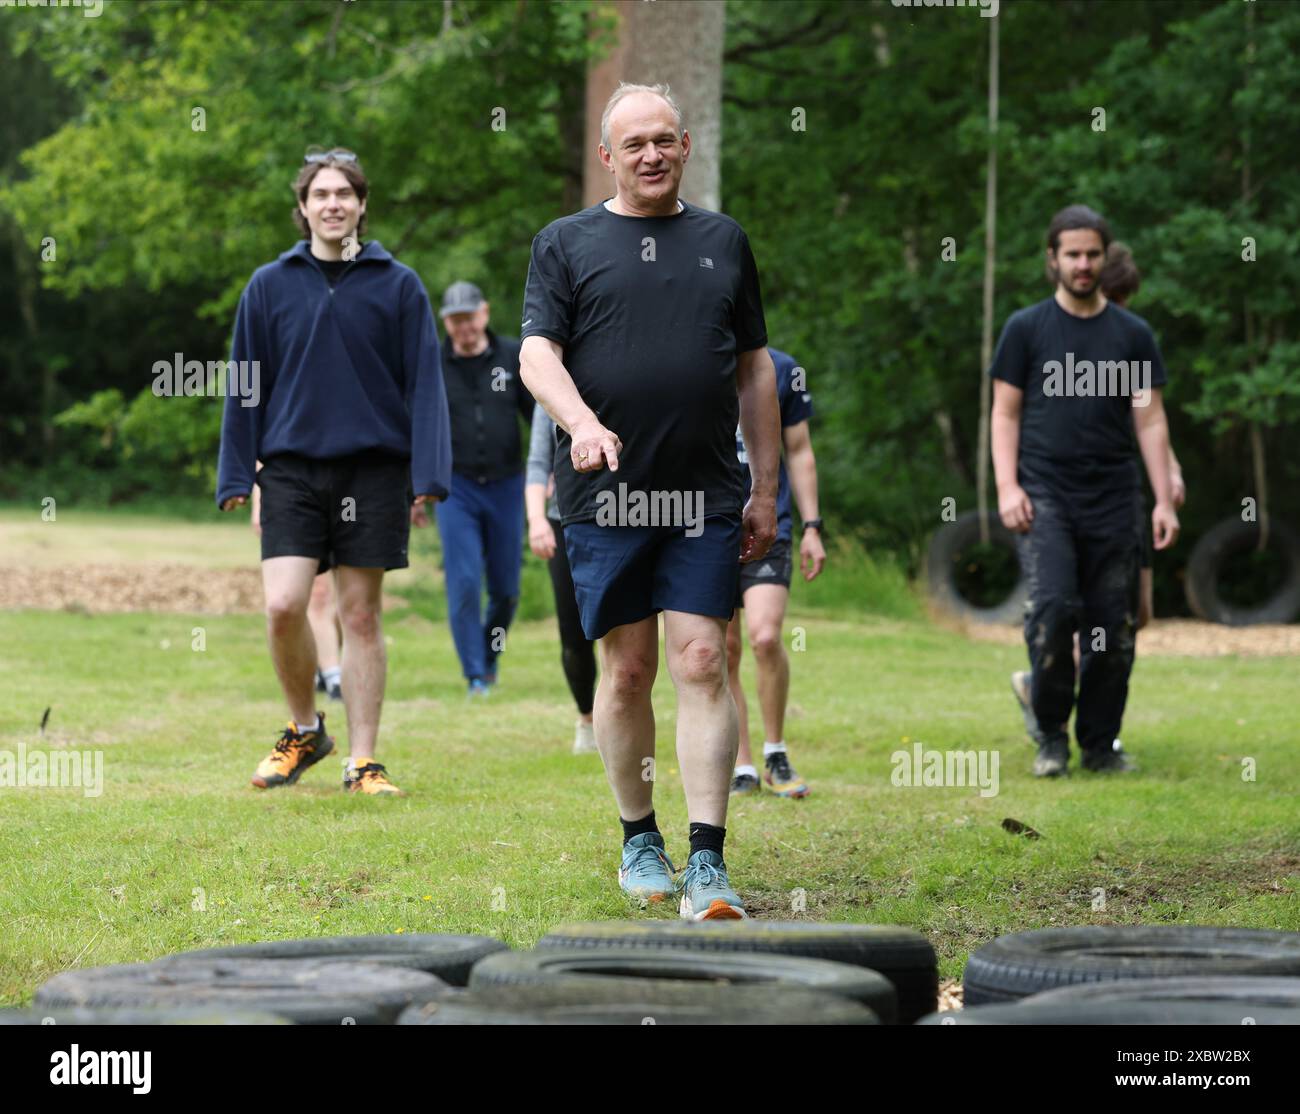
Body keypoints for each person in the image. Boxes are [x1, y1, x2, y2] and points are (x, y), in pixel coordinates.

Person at [519, 83, 781, 919]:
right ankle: (640, 835)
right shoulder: (566, 243)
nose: (651, 156)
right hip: (606, 496)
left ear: (686, 145)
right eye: (633, 145)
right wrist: (582, 424)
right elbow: (534, 355)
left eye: (664, 140)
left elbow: (755, 369)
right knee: (627, 670)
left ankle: (708, 862)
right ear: (607, 156)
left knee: (703, 661)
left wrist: (767, 489)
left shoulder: (724, 241)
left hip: (706, 493)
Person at [216, 147, 451, 796]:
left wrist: (427, 473)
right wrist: (238, 473)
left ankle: (364, 761)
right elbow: (244, 386)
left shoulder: (398, 284)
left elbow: (425, 385)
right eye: (320, 194)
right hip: (289, 471)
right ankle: (304, 730)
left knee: (362, 615)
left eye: (344, 193)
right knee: (283, 605)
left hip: (373, 472)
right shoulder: (269, 286)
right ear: (303, 208)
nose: (332, 204)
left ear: (362, 205)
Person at [991, 205, 1179, 777]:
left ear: (1104, 257)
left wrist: (1165, 498)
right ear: (1053, 259)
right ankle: (1051, 736)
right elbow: (1004, 414)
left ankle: (1100, 744)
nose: (1082, 263)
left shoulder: (1133, 334)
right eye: (1071, 254)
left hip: (1115, 499)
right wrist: (1006, 486)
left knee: (1112, 627)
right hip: (1046, 494)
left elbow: (1150, 421)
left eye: (1092, 254)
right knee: (1052, 610)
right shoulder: (1026, 329)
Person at [726, 347, 825, 798]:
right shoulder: (693, 356)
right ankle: (740, 761)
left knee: (764, 637)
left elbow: (800, 450)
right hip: (706, 524)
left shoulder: (783, 369)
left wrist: (813, 526)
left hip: (770, 522)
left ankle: (776, 751)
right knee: (722, 650)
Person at [435, 282, 534, 697]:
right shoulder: (434, 363)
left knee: (507, 589)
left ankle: (490, 656)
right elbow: (418, 428)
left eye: (469, 317)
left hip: (507, 484)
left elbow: (538, 418)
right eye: (455, 320)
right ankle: (474, 673)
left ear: (485, 313)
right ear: (446, 322)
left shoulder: (511, 357)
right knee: (463, 582)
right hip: (455, 488)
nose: (464, 327)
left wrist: (546, 480)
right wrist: (414, 490)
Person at [526, 406, 599, 754]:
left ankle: (619, 714)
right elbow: (538, 462)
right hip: (565, 519)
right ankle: (587, 718)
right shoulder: (549, 392)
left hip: (625, 512)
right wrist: (536, 519)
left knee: (622, 630)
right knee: (575, 636)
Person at [252, 461, 343, 702]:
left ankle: (322, 663)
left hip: (349, 494)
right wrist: (258, 500)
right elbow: (265, 442)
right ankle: (333, 676)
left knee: (349, 600)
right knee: (316, 593)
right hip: (299, 496)